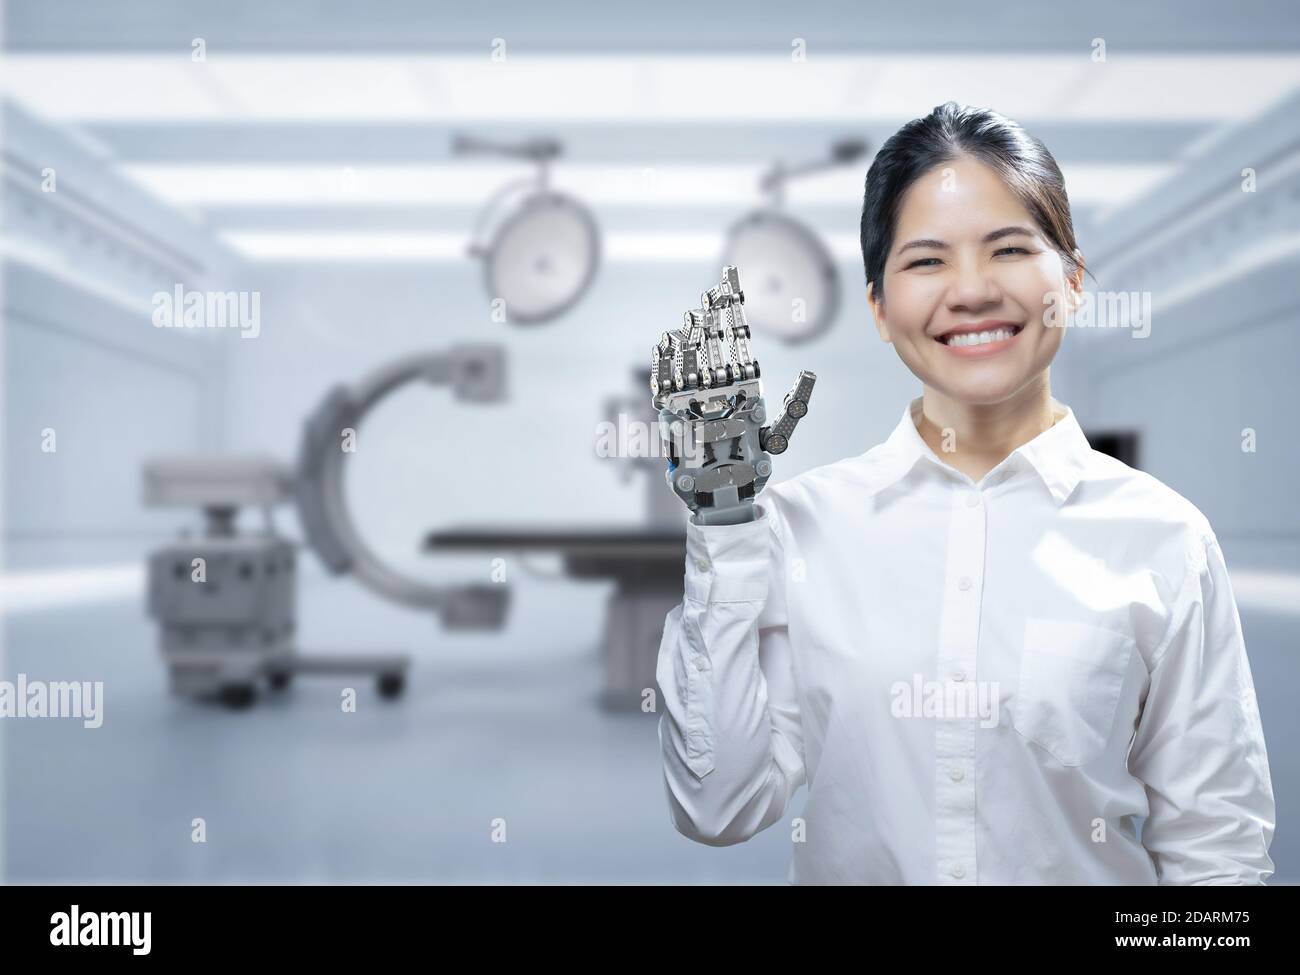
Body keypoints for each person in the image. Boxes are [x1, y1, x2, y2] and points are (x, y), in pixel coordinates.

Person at [655, 101, 1276, 885]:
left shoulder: (1164, 539)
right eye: (926, 261)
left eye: (1009, 248)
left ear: (1073, 281)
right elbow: (718, 806)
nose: (973, 290)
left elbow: (1217, 851)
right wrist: (726, 529)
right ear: (880, 307)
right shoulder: (798, 529)